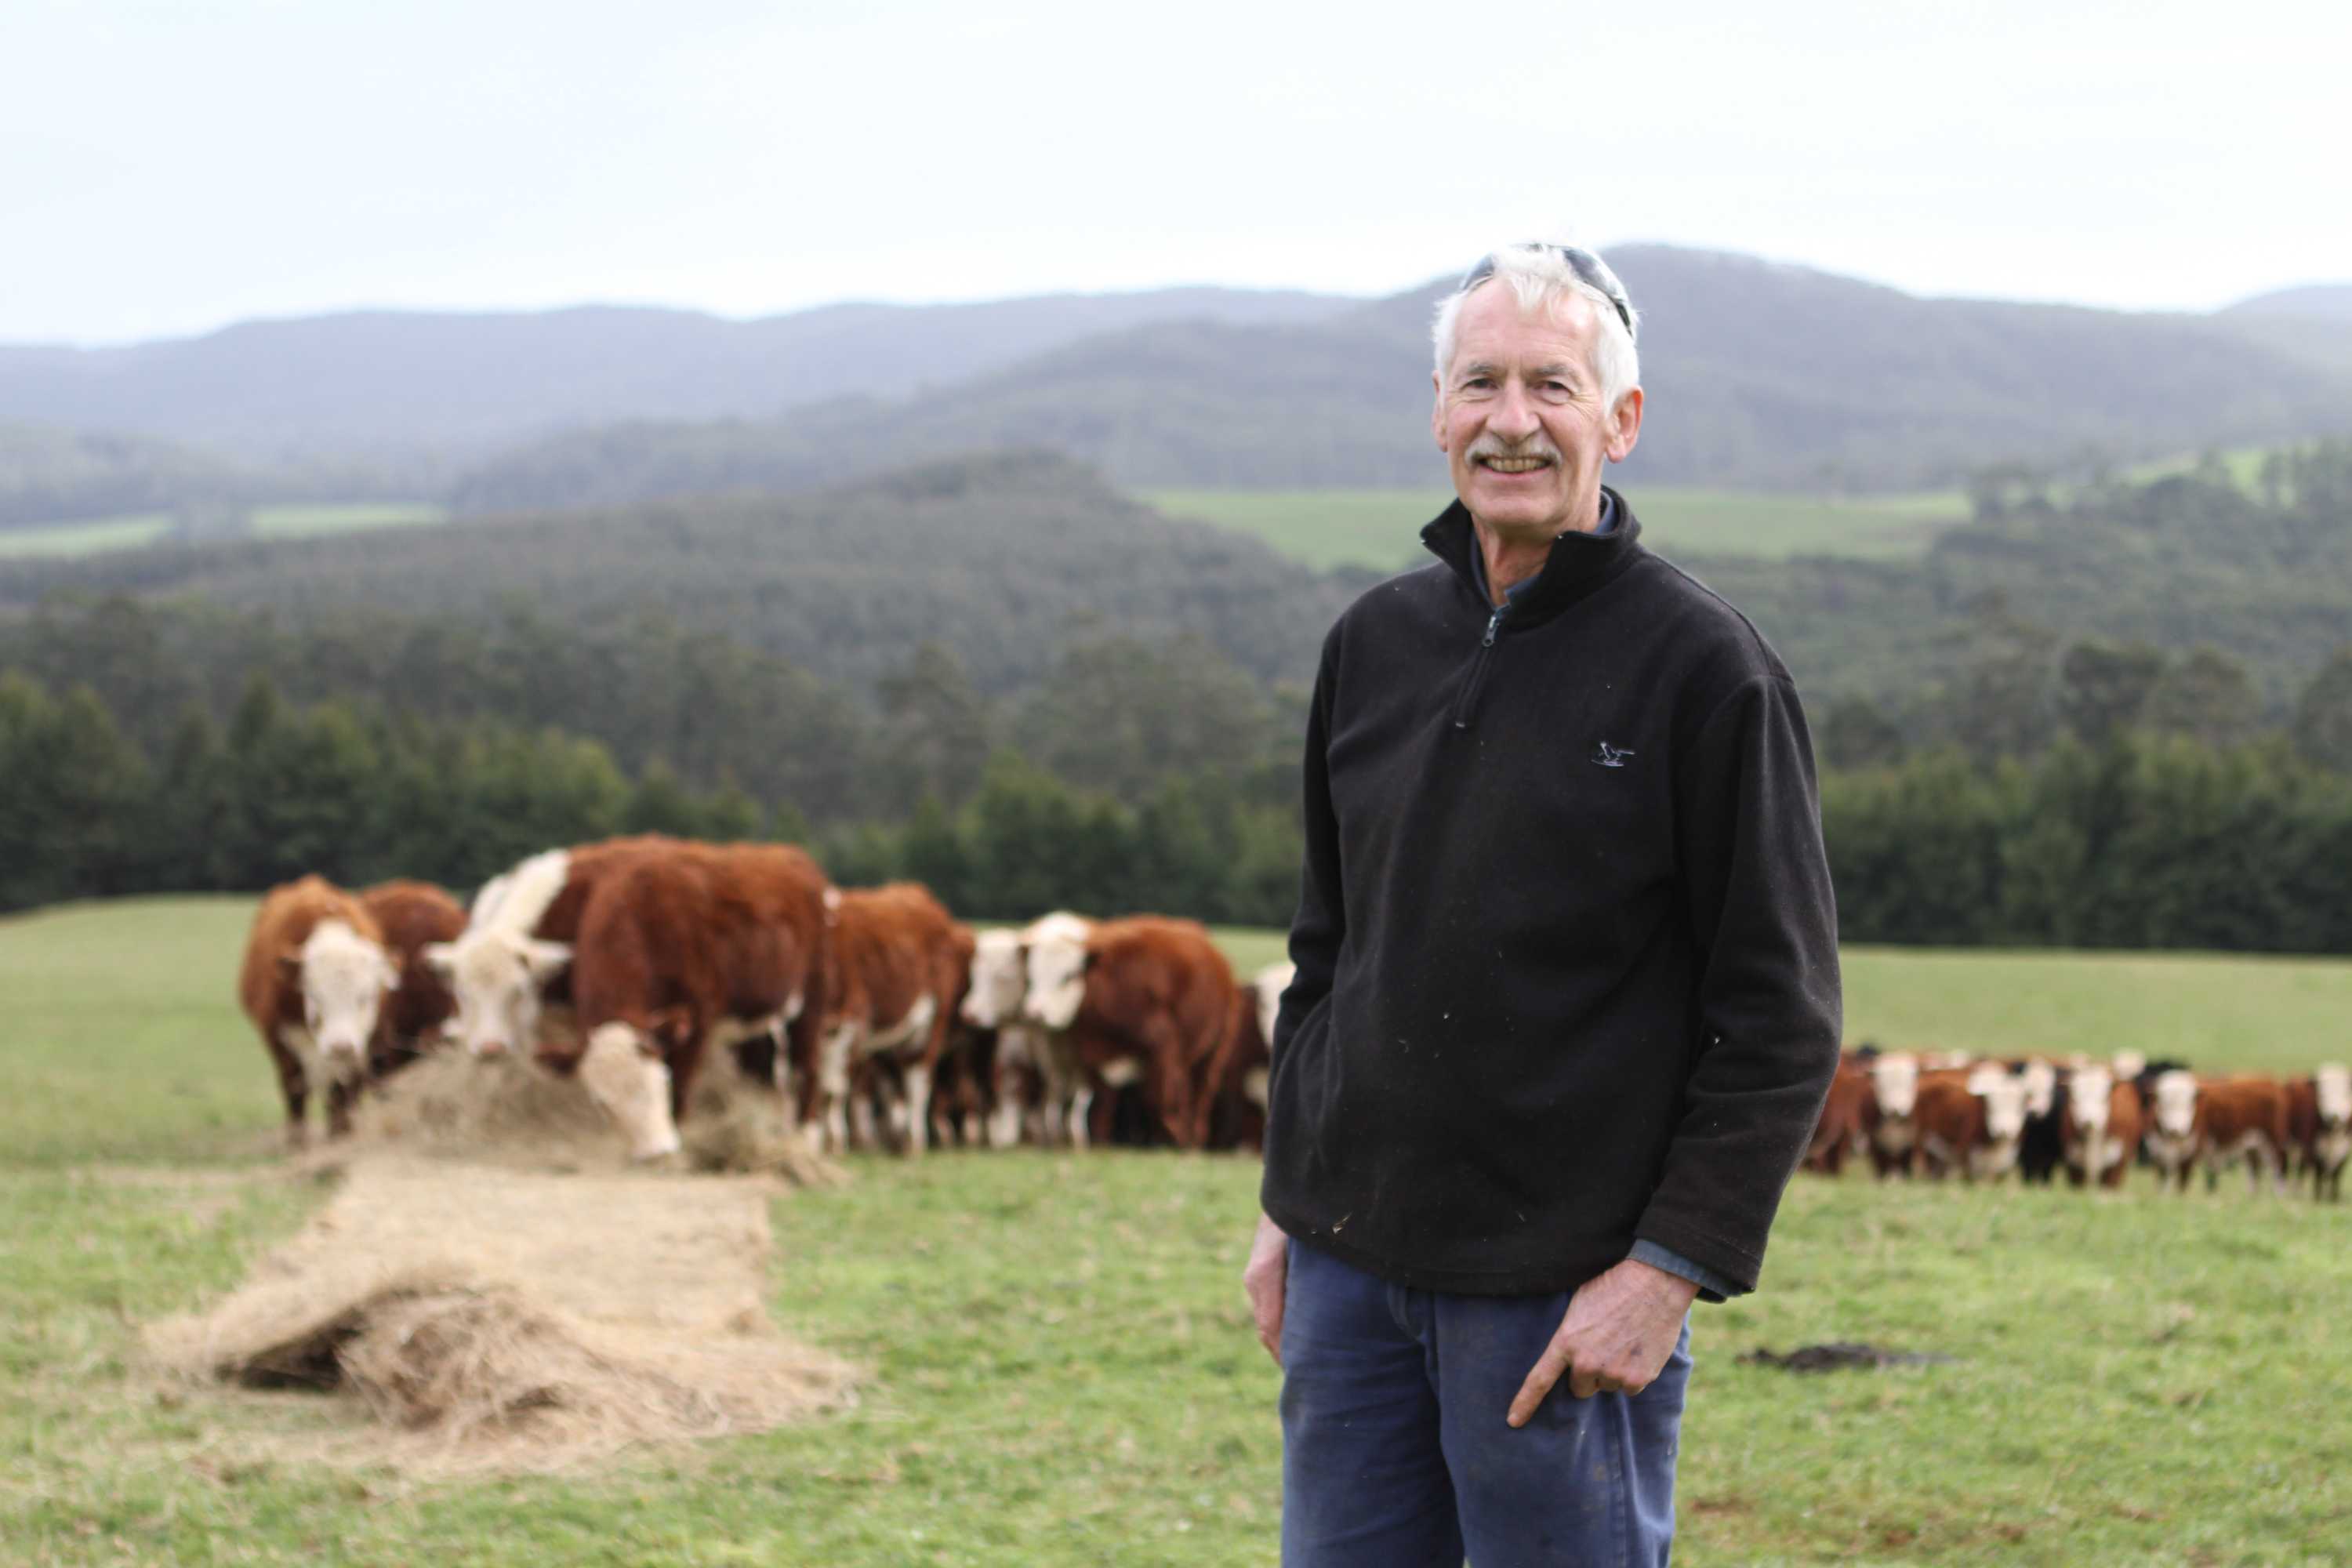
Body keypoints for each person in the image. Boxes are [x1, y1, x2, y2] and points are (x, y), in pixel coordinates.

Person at [1243, 241, 1842, 1566]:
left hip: (1560, 1298)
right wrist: (1295, 1205)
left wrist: (1664, 1274)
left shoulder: (1707, 673)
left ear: (1620, 422)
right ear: (1440, 414)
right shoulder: (1373, 646)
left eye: (1552, 387)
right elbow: (1330, 957)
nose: (1511, 422)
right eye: (1481, 384)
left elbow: (1782, 1016)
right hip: (1351, 1277)